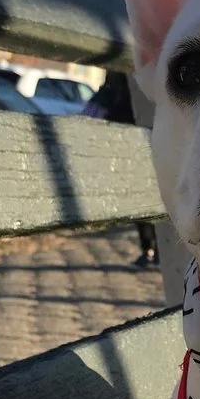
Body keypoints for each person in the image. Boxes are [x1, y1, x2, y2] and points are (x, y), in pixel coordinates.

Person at [83, 72, 159, 266]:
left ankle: (152, 248)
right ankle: (151, 248)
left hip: (138, 133)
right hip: (134, 137)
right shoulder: (124, 77)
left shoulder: (127, 79)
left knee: (147, 196)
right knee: (144, 197)